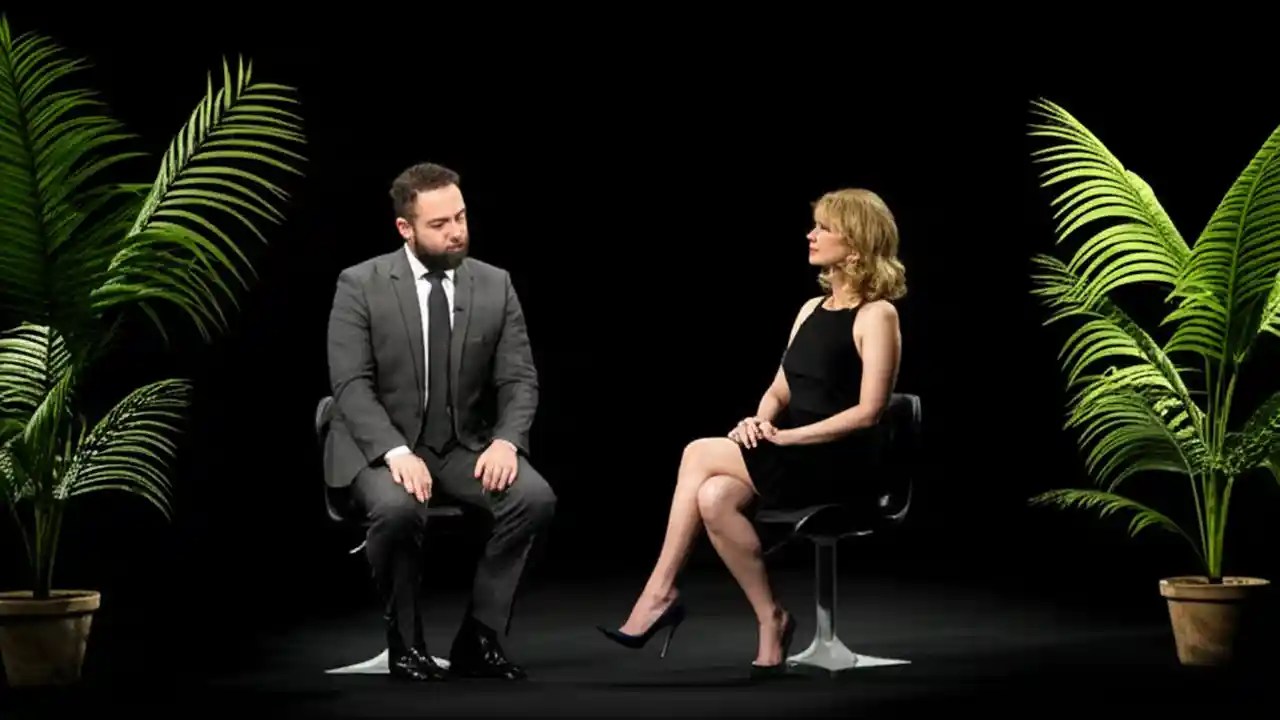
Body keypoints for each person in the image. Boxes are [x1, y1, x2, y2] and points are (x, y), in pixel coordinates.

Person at [598, 188, 906, 676]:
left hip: (840, 465)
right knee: (714, 496)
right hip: (795, 453)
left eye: (824, 228)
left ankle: (659, 592)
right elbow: (780, 389)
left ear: (855, 244)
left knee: (698, 452)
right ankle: (773, 619)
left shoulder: (877, 315)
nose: (811, 235)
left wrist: (787, 438)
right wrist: (759, 420)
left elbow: (870, 412)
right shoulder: (810, 309)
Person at [324, 162, 556, 682]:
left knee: (533, 498)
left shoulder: (495, 284)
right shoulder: (360, 284)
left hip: (458, 446)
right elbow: (351, 385)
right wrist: (395, 453)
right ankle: (406, 646)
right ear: (404, 228)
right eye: (439, 224)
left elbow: (519, 379)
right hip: (378, 445)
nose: (456, 232)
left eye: (461, 217)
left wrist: (506, 442)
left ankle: (479, 638)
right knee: (398, 507)